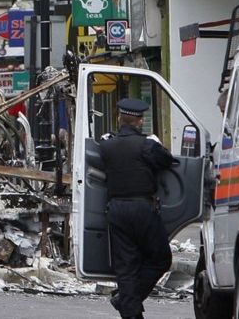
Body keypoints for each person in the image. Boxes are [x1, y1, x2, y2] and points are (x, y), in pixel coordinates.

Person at [99, 98, 175, 319]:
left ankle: (128, 304)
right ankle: (125, 300)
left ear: (119, 118)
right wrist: (156, 144)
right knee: (161, 258)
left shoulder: (107, 144)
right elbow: (167, 161)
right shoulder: (147, 145)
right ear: (140, 121)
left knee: (126, 268)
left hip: (116, 210)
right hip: (142, 208)